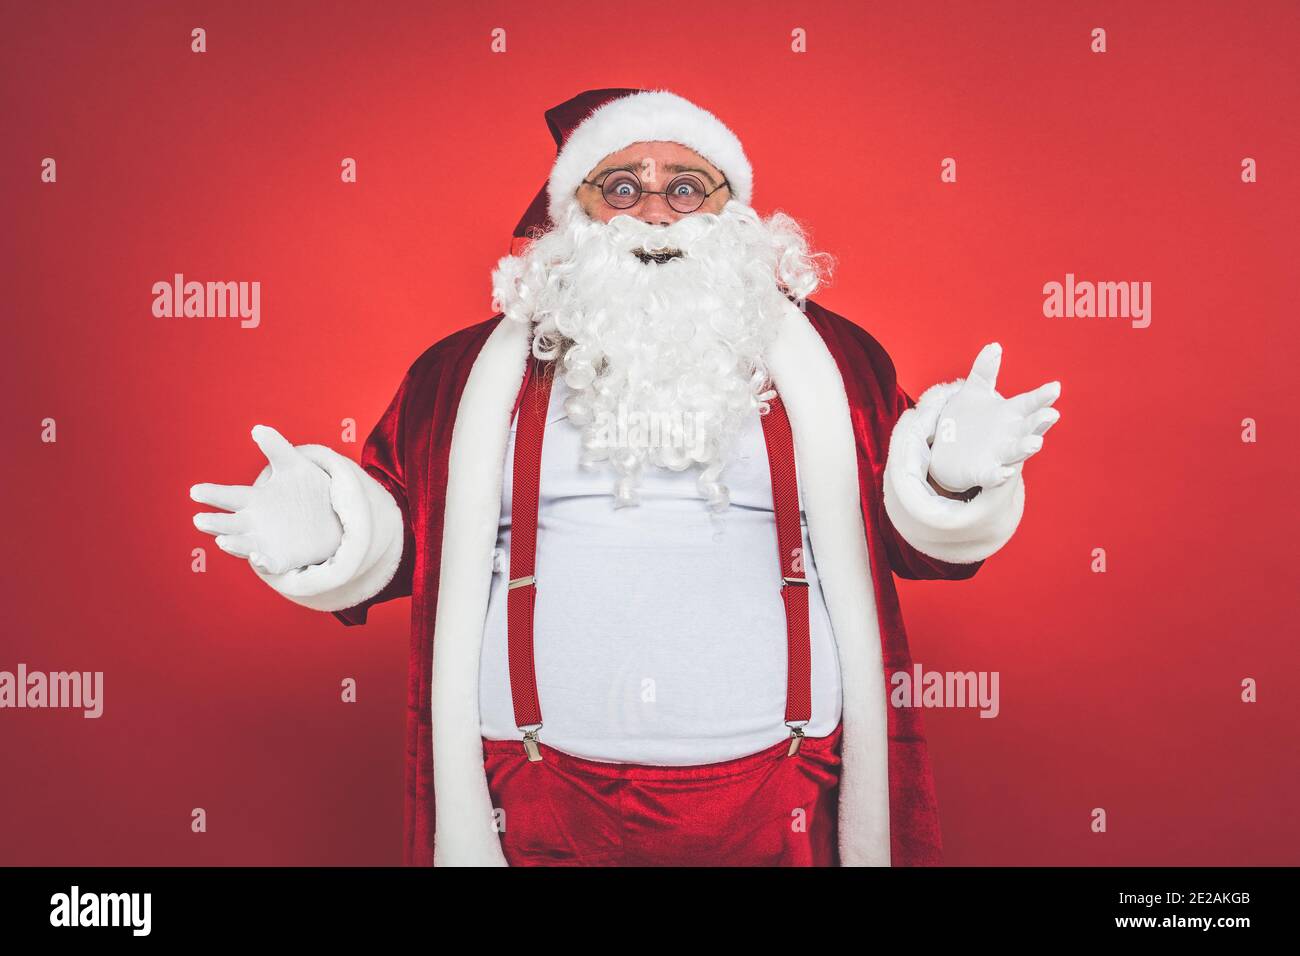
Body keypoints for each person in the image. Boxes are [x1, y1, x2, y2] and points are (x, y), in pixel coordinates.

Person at [190, 88, 1061, 867]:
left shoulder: (836, 364)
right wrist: (327, 530)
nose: (655, 212)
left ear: (734, 215)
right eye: (620, 188)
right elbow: (402, 529)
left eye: (687, 187)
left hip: (784, 800)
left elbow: (910, 542)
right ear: (572, 215)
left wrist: (951, 479)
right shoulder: (461, 375)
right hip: (537, 800)